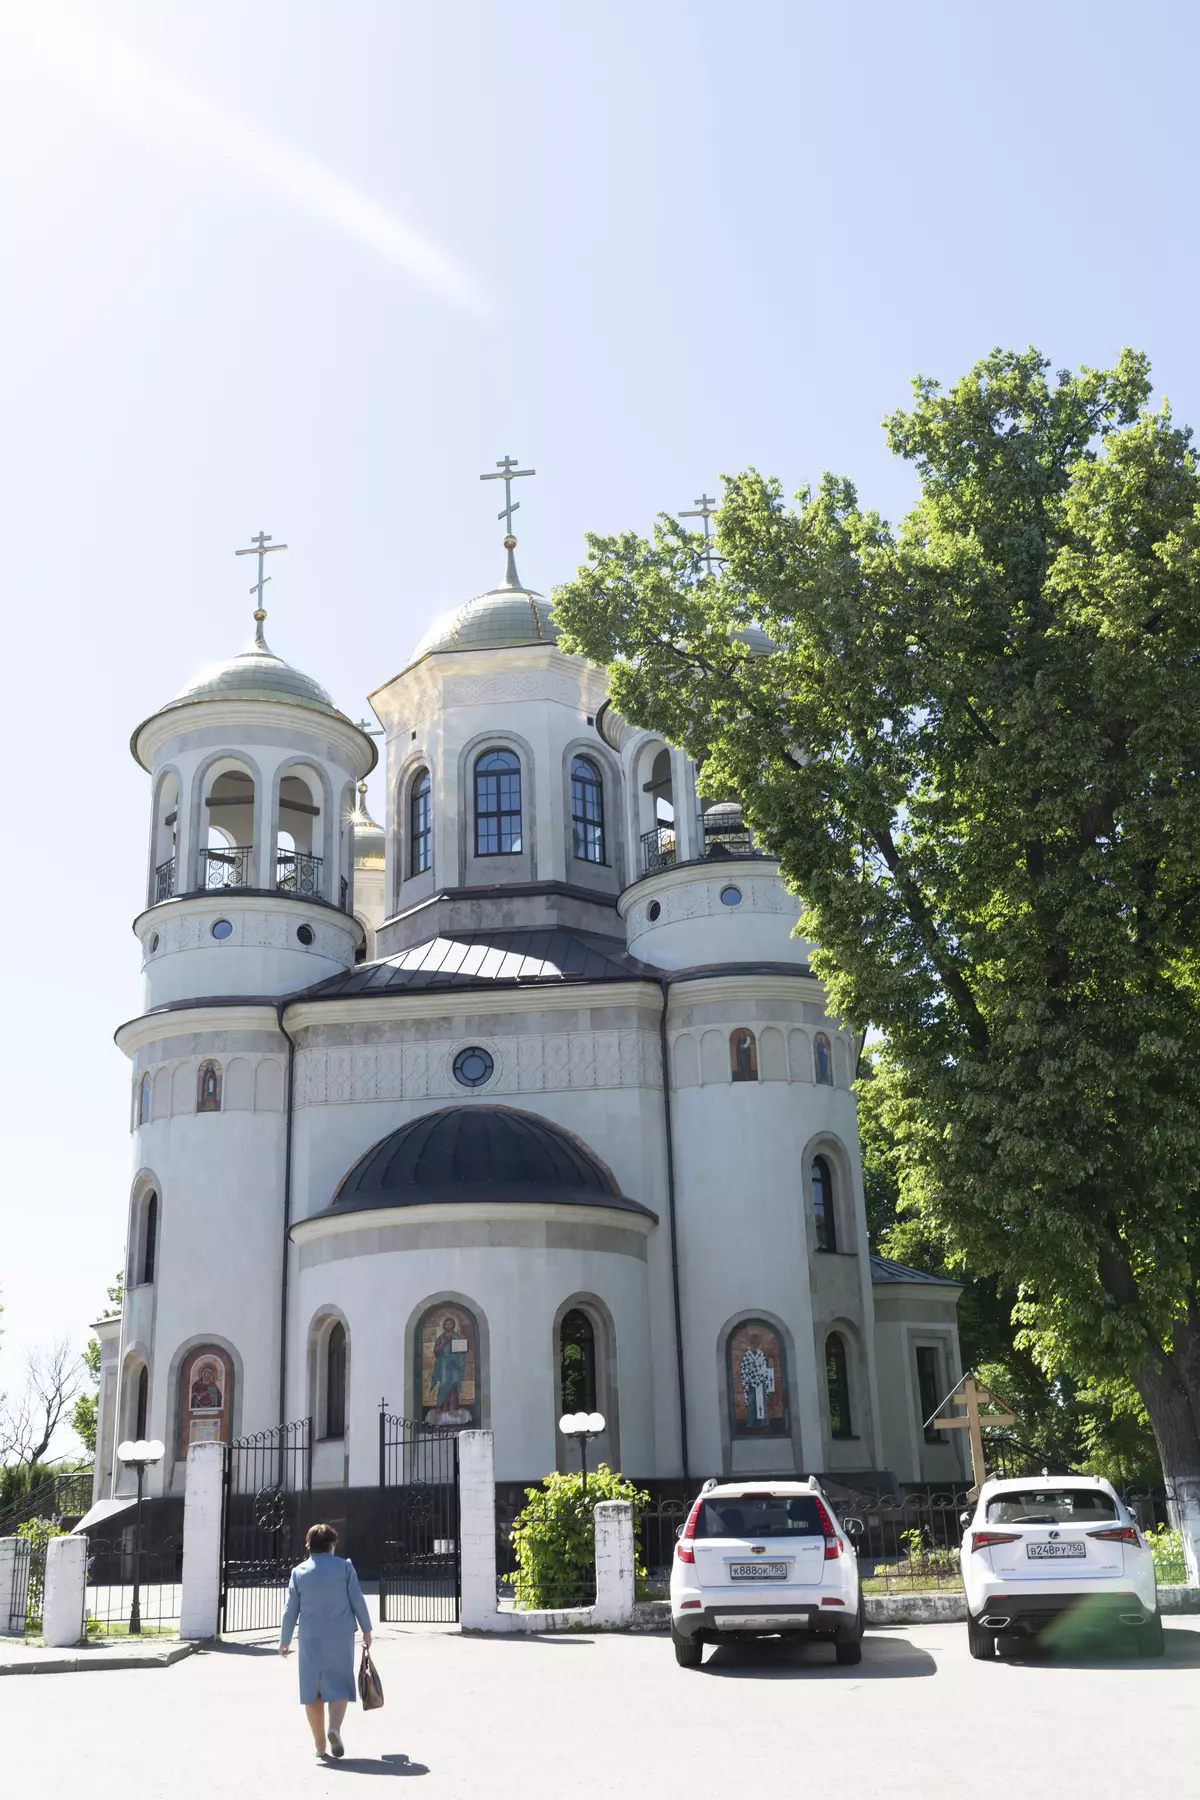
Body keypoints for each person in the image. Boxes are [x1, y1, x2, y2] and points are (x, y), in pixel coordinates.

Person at [279, 1523, 373, 1760]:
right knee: (339, 1683)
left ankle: (320, 1745)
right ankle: (334, 1729)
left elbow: (291, 1610)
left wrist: (285, 1640)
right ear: (332, 1545)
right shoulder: (344, 1568)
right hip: (340, 1635)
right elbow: (357, 1600)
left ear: (309, 1545)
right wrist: (367, 1630)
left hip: (311, 1637)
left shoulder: (299, 1572)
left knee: (313, 1691)